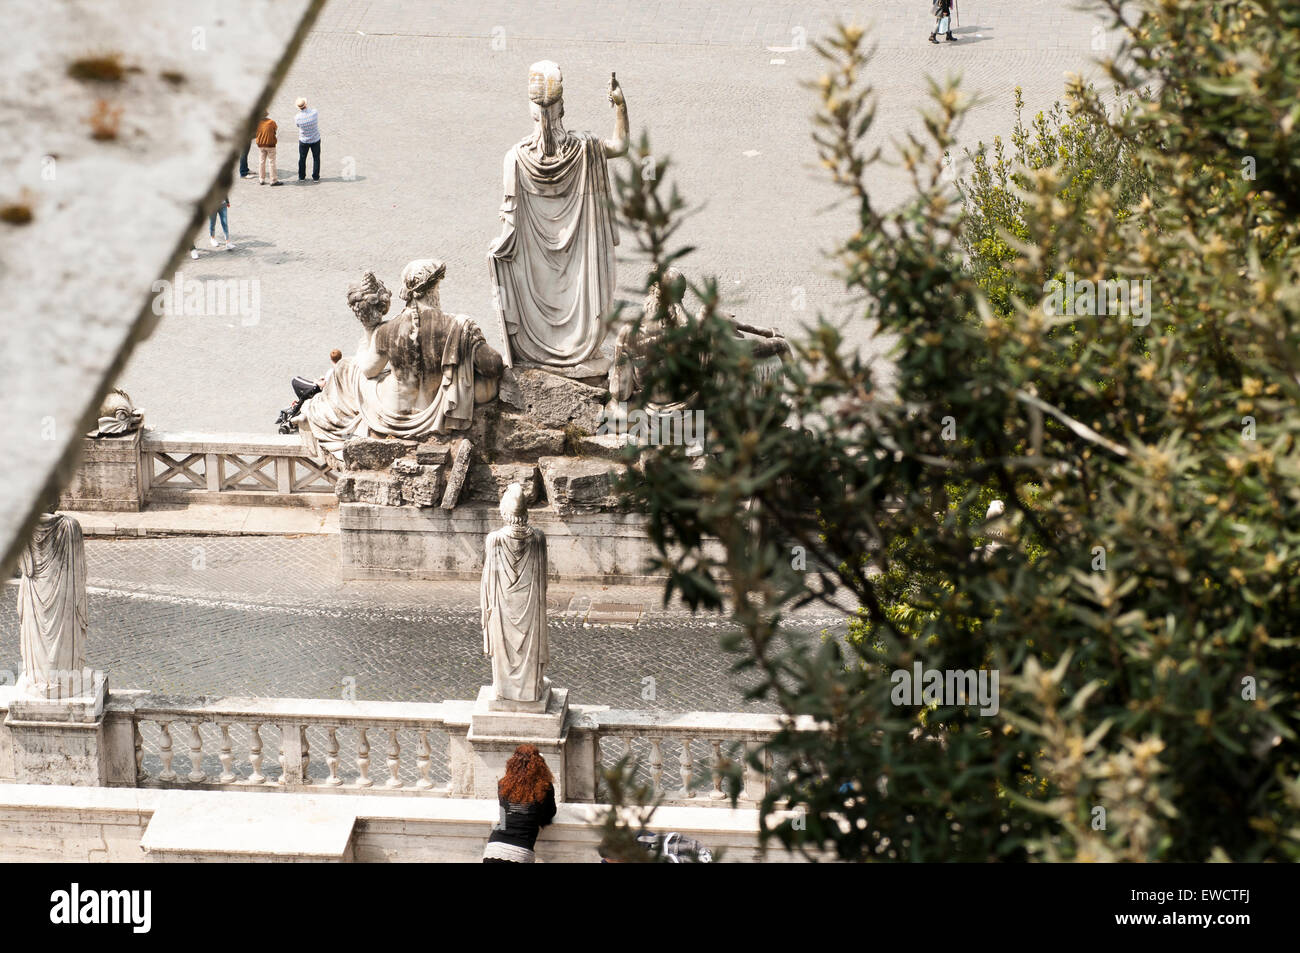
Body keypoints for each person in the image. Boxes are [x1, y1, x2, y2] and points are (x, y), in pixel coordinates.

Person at [482, 744, 557, 863]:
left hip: (494, 848)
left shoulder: (503, 784)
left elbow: (503, 813)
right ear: (539, 764)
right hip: (520, 851)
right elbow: (550, 813)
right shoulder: (545, 787)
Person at [277, 349, 341, 433]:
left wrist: (317, 381)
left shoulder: (332, 370)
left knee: (296, 380)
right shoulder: (341, 370)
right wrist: (324, 379)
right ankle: (298, 406)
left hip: (320, 391)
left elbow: (324, 385)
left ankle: (295, 412)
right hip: (328, 393)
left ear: (331, 359)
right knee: (307, 391)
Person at [295, 97, 321, 182]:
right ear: (305, 104)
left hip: (304, 140)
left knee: (302, 158)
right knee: (316, 158)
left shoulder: (297, 117)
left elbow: (298, 126)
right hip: (315, 139)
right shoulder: (314, 112)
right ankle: (316, 177)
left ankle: (301, 177)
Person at [256, 109, 280, 186]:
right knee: (272, 162)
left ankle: (261, 179)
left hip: (261, 144)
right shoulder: (271, 122)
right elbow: (275, 129)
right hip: (270, 145)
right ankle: (273, 180)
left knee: (261, 162)